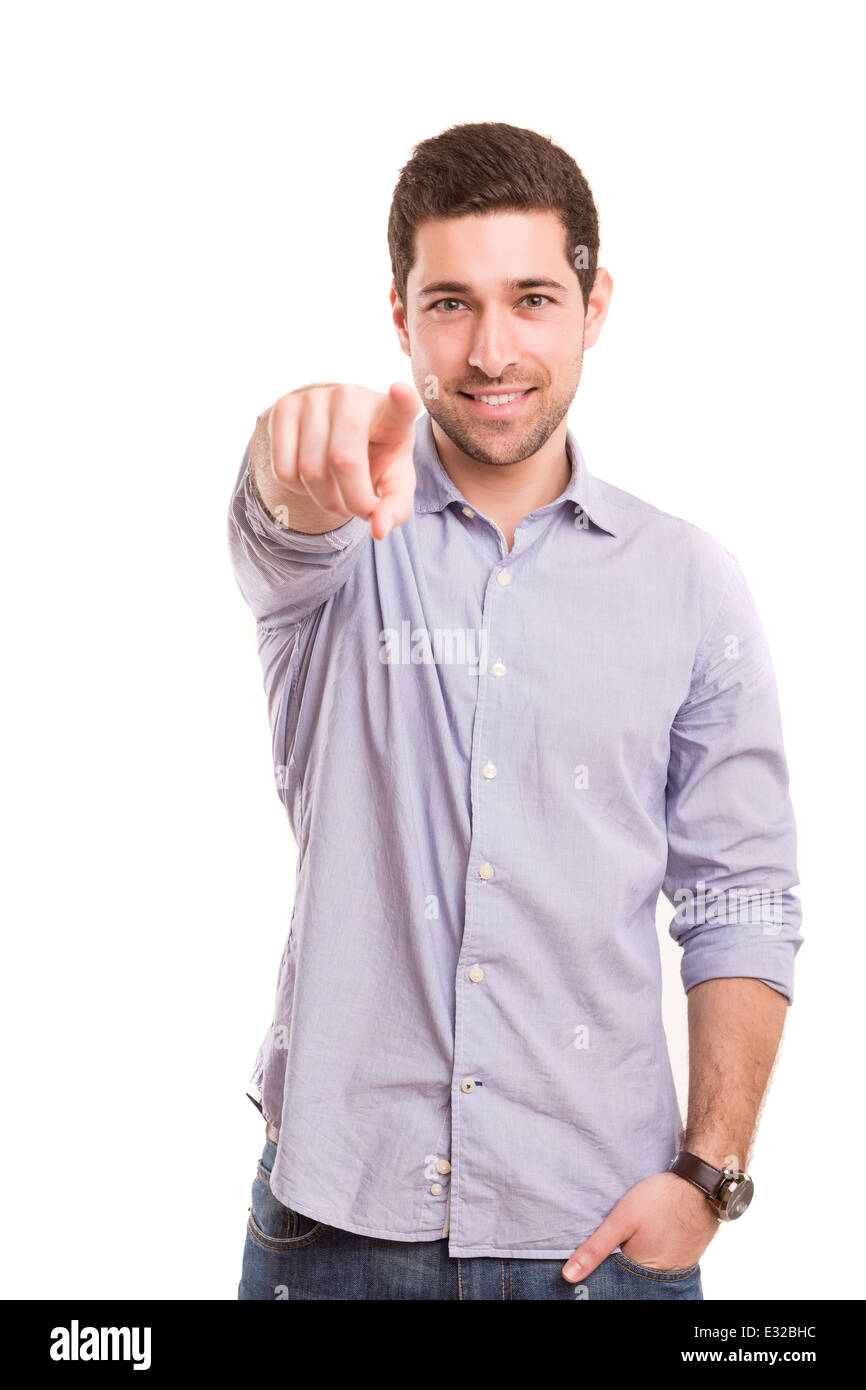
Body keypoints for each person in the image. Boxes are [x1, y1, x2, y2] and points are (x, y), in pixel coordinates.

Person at [227, 122, 802, 1301]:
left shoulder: (691, 582)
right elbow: (280, 515)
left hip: (602, 1241)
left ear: (593, 305)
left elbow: (740, 896)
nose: (491, 349)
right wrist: (289, 451)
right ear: (398, 315)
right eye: (450, 303)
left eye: (531, 296)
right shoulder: (341, 545)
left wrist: (710, 1172)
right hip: (336, 1235)